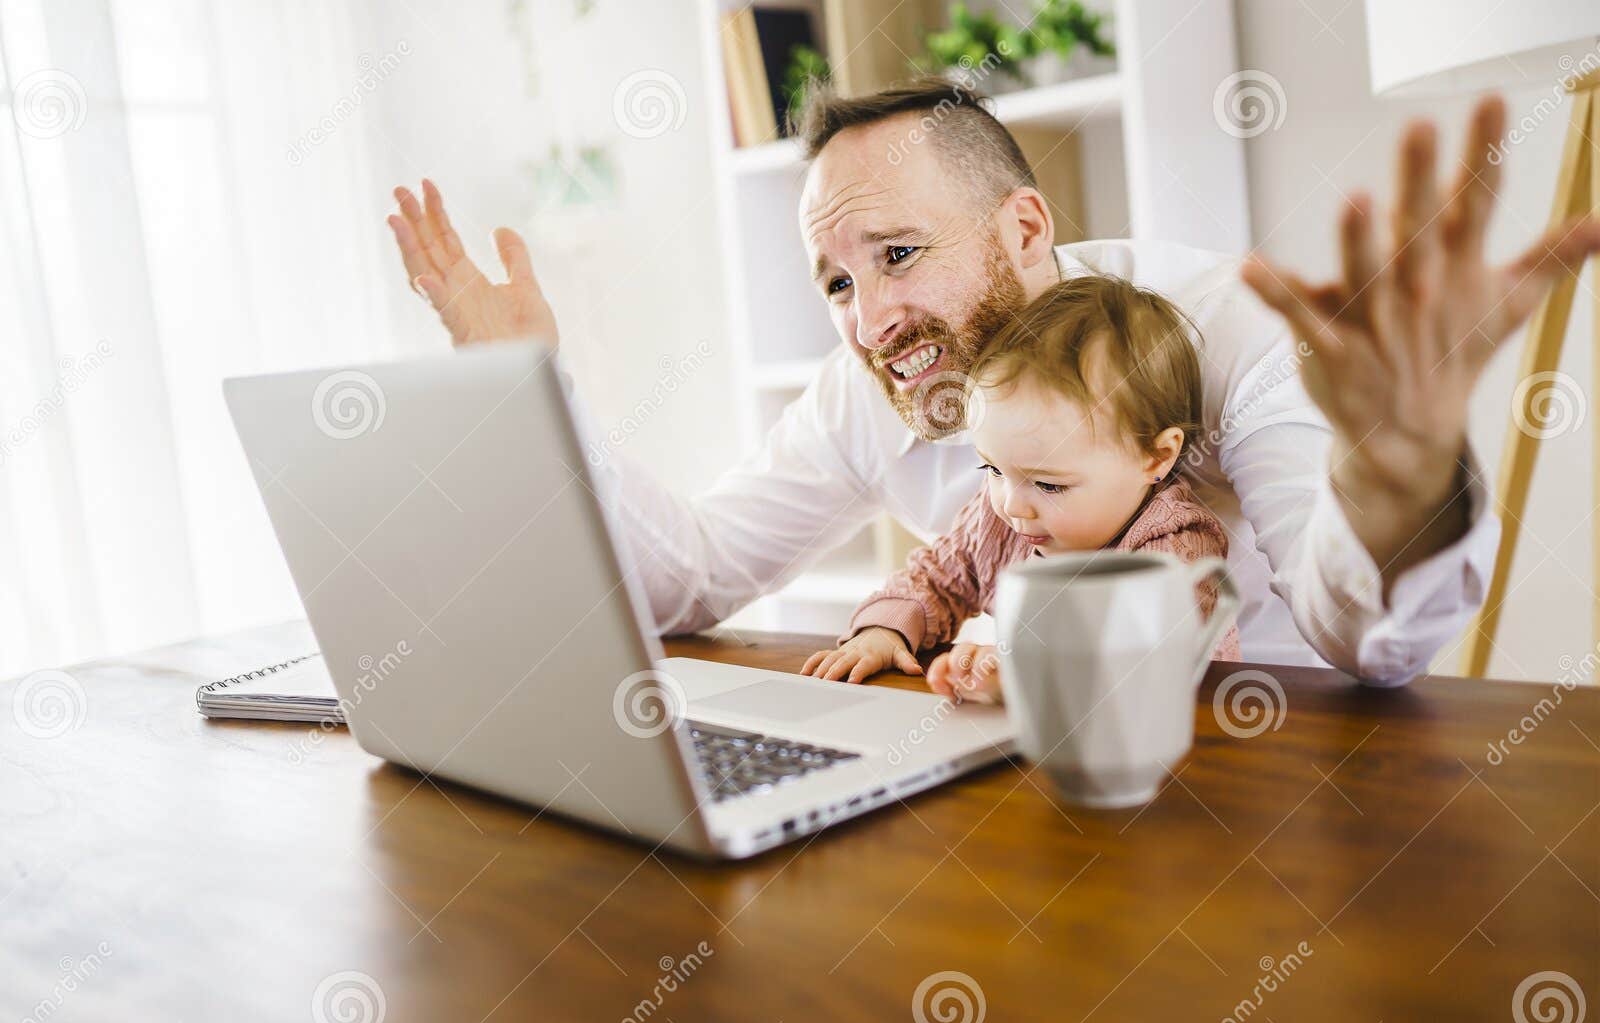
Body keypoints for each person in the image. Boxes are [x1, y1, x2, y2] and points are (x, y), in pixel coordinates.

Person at [385, 80, 1600, 686]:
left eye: (898, 256)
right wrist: (530, 389)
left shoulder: (1227, 336)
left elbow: (1369, 648)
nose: (871, 321)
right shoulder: (879, 380)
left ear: (1025, 228)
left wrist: (1401, 475)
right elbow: (692, 577)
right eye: (836, 283)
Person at [800, 274, 1239, 702]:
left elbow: (1151, 651)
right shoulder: (998, 520)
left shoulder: (1176, 541)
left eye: (1048, 484)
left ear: (1157, 457)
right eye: (991, 468)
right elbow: (935, 578)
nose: (1012, 504)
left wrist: (1027, 670)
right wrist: (885, 630)